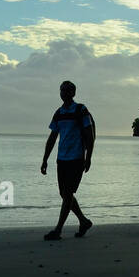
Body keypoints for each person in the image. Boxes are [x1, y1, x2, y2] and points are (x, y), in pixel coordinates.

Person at [40, 80, 95, 240]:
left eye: (67, 90)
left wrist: (89, 157)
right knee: (64, 194)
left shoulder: (81, 110)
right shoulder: (59, 113)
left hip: (77, 158)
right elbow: (52, 137)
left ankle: (58, 230)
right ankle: (84, 221)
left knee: (68, 193)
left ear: (73, 93)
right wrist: (45, 160)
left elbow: (89, 134)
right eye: (61, 90)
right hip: (61, 158)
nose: (63, 93)